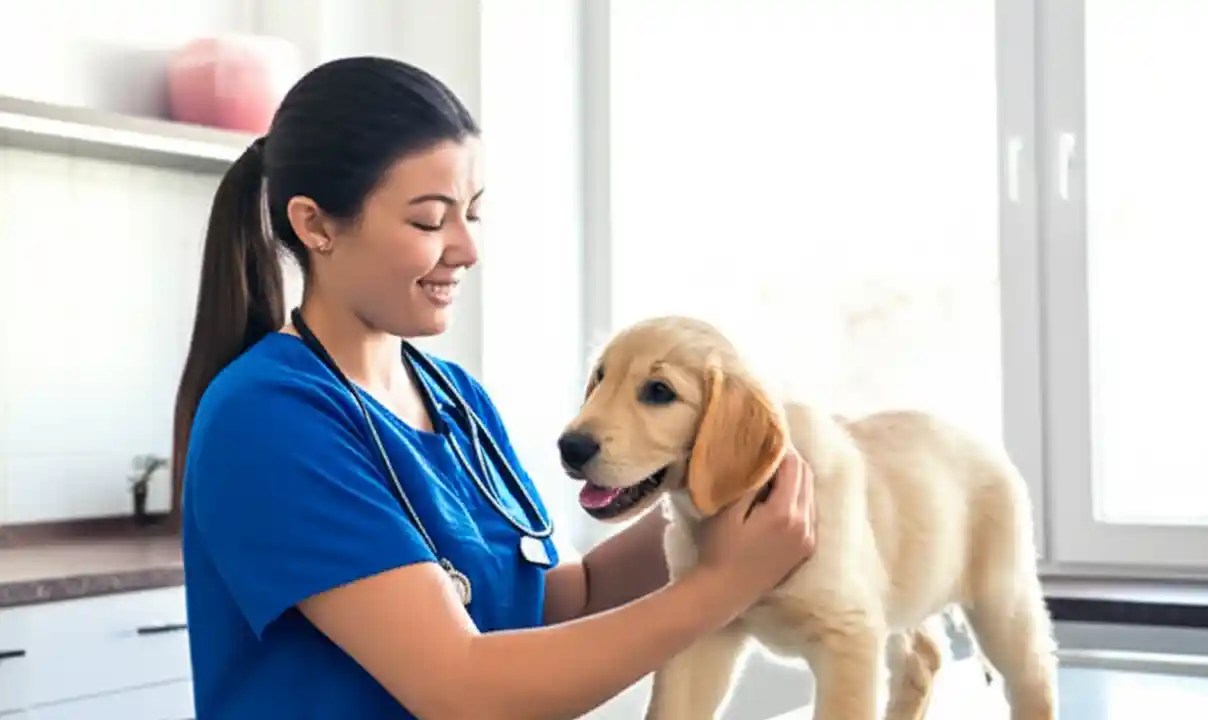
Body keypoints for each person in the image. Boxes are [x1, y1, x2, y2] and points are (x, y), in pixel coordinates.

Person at [172, 55, 816, 720]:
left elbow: (571, 596)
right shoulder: (269, 418)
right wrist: (723, 585)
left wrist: (715, 490)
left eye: (471, 214)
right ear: (316, 226)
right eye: (428, 220)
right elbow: (462, 690)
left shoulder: (456, 400)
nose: (467, 248)